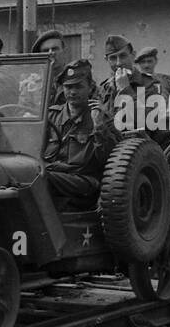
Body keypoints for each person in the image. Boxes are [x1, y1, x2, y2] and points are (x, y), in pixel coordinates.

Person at [44, 59, 119, 212]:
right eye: (68, 87)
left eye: (78, 86)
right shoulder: (52, 115)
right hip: (55, 176)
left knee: (40, 178)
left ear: (90, 87)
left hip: (84, 182)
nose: (72, 92)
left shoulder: (101, 118)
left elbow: (110, 160)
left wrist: (99, 126)